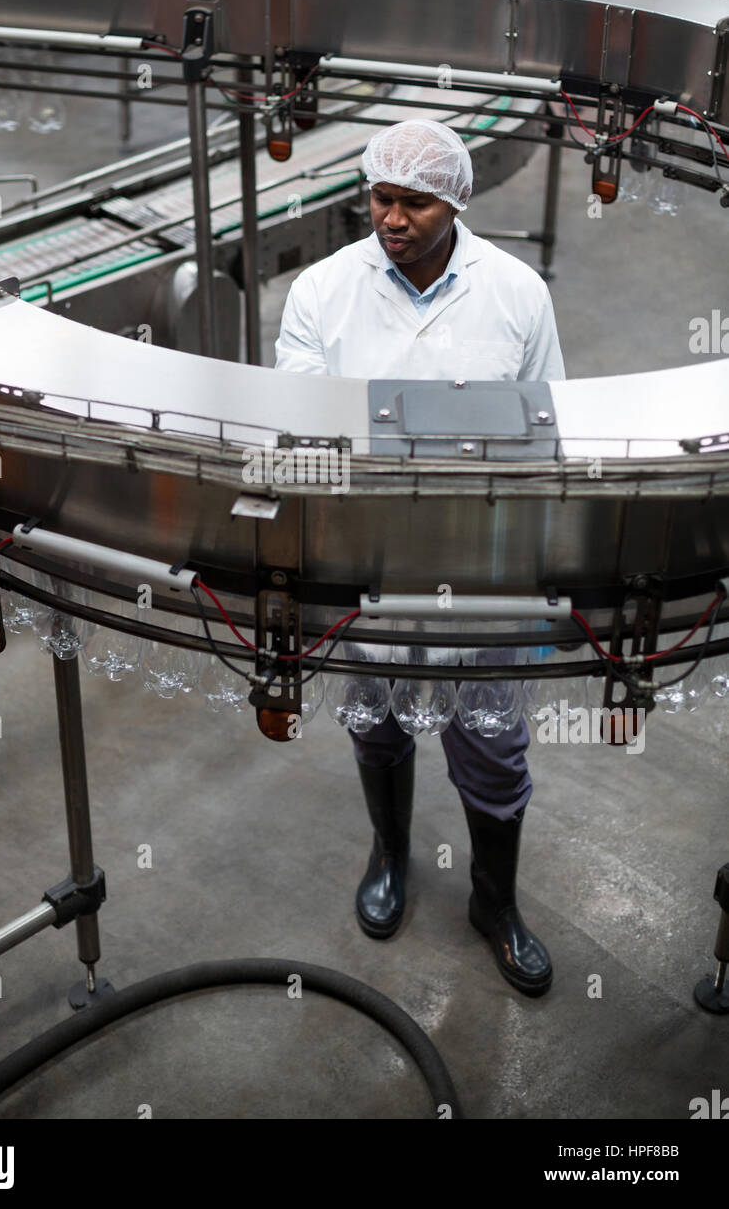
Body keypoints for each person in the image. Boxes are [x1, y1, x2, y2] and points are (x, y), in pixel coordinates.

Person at [274, 119, 565, 996]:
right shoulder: (323, 292)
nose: (392, 218)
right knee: (375, 718)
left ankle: (494, 902)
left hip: (482, 563)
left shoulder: (516, 293)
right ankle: (391, 855)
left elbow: (547, 429)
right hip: (372, 560)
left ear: (458, 202)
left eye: (414, 202)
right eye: (381, 198)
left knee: (493, 740)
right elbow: (295, 428)